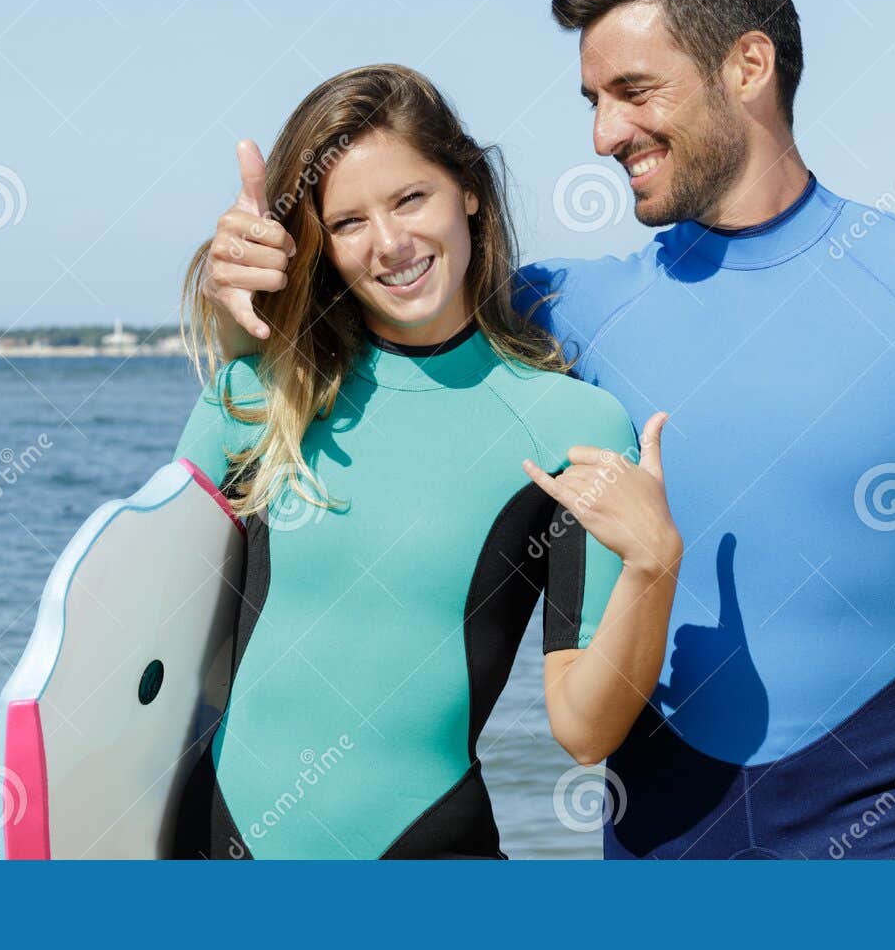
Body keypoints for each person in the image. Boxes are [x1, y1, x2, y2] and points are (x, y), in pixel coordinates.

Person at [196, 0, 895, 860]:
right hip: (661, 836)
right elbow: (383, 317)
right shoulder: (562, 312)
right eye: (590, 98)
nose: (600, 132)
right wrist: (245, 285)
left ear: (748, 66)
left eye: (630, 91)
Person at [171, 63, 684, 859]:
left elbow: (587, 730)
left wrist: (654, 565)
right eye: (347, 223)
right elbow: (151, 642)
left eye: (411, 198)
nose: (390, 243)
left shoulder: (570, 423)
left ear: (469, 190)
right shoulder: (264, 398)